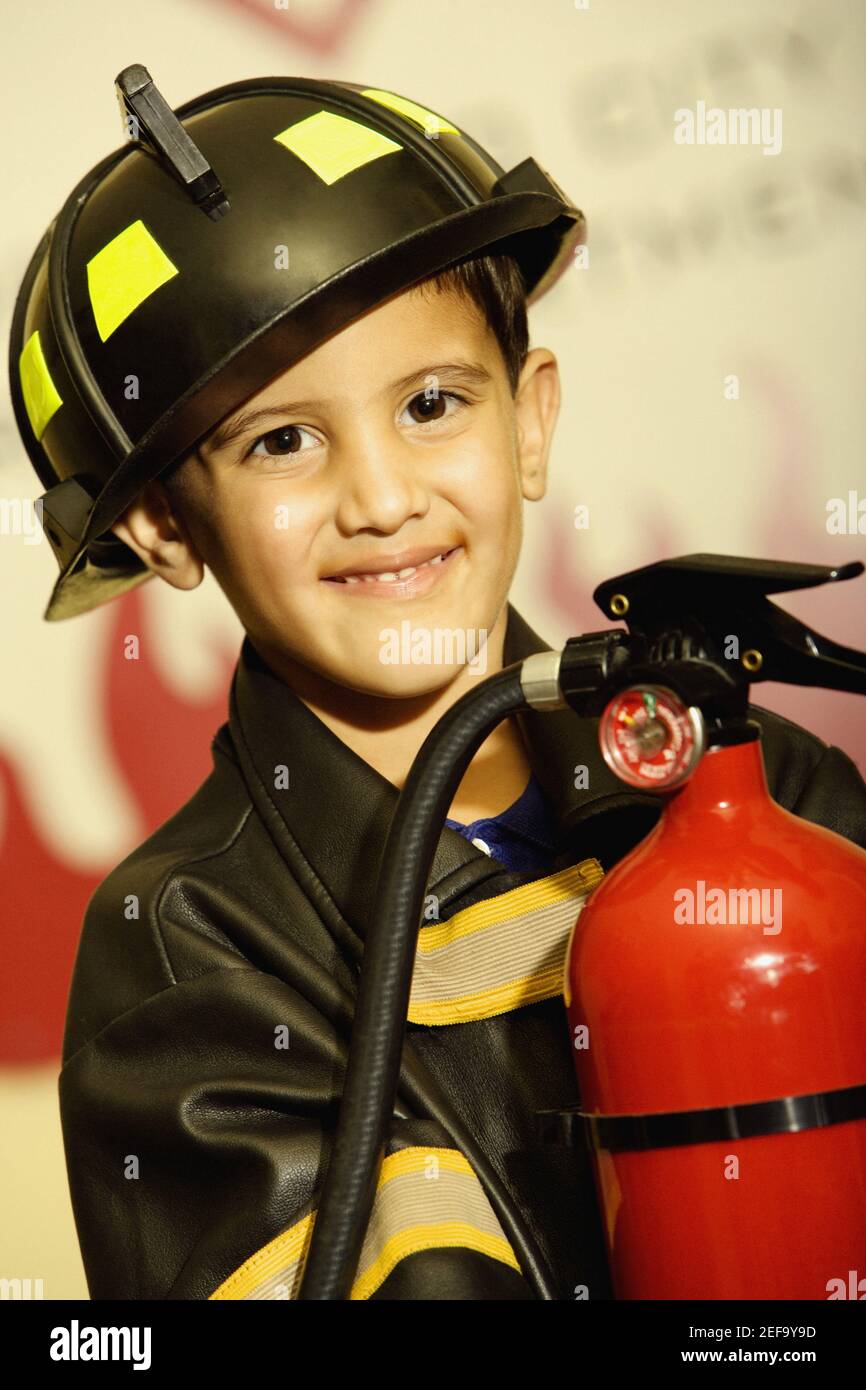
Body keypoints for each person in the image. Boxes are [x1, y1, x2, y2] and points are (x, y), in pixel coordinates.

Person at [11, 67, 866, 1301]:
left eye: (428, 404)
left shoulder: (765, 787)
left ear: (528, 420)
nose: (382, 499)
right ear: (161, 528)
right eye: (281, 442)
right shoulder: (188, 951)